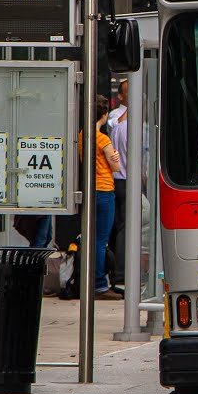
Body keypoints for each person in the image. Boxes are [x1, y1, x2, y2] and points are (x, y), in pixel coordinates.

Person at [80, 94, 123, 300]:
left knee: (92, 238)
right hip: (105, 189)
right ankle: (99, 284)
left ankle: (91, 281)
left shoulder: (82, 135)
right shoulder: (103, 139)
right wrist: (115, 157)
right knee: (100, 240)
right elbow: (115, 166)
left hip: (90, 189)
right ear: (104, 115)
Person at [107, 79, 128, 286]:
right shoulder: (117, 116)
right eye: (128, 91)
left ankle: (118, 269)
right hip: (121, 179)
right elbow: (115, 124)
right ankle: (120, 271)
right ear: (120, 96)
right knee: (124, 226)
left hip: (126, 178)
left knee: (120, 225)